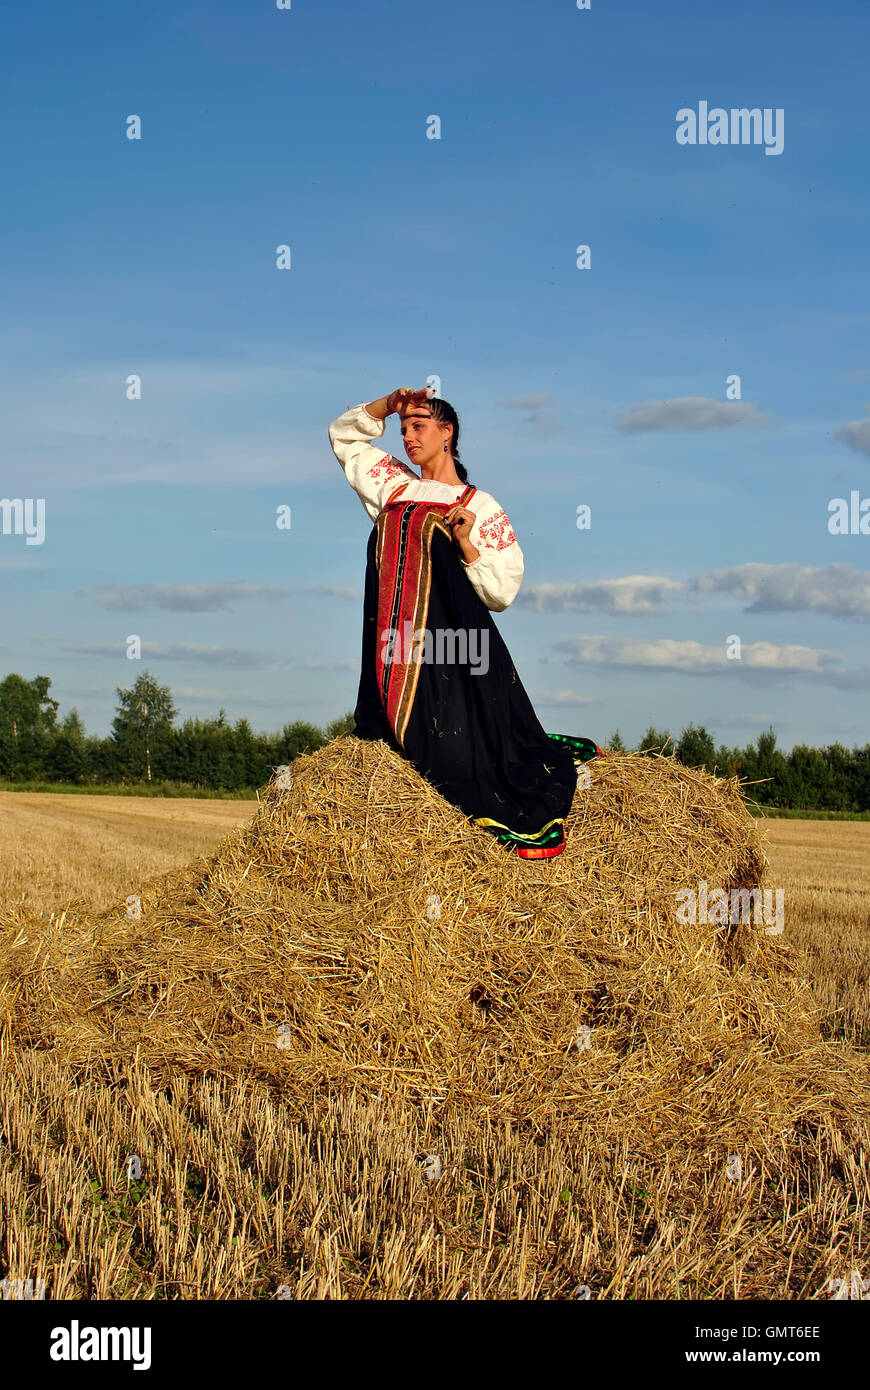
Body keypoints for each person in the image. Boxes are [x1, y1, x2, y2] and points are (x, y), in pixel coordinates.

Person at [328, 386, 600, 858]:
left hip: (454, 652)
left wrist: (468, 543)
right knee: (396, 743)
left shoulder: (480, 505)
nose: (408, 437)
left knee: (458, 760)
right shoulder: (393, 485)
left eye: (418, 426)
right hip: (393, 645)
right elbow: (344, 437)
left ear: (446, 432)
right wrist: (388, 404)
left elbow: (502, 591)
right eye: (403, 428)